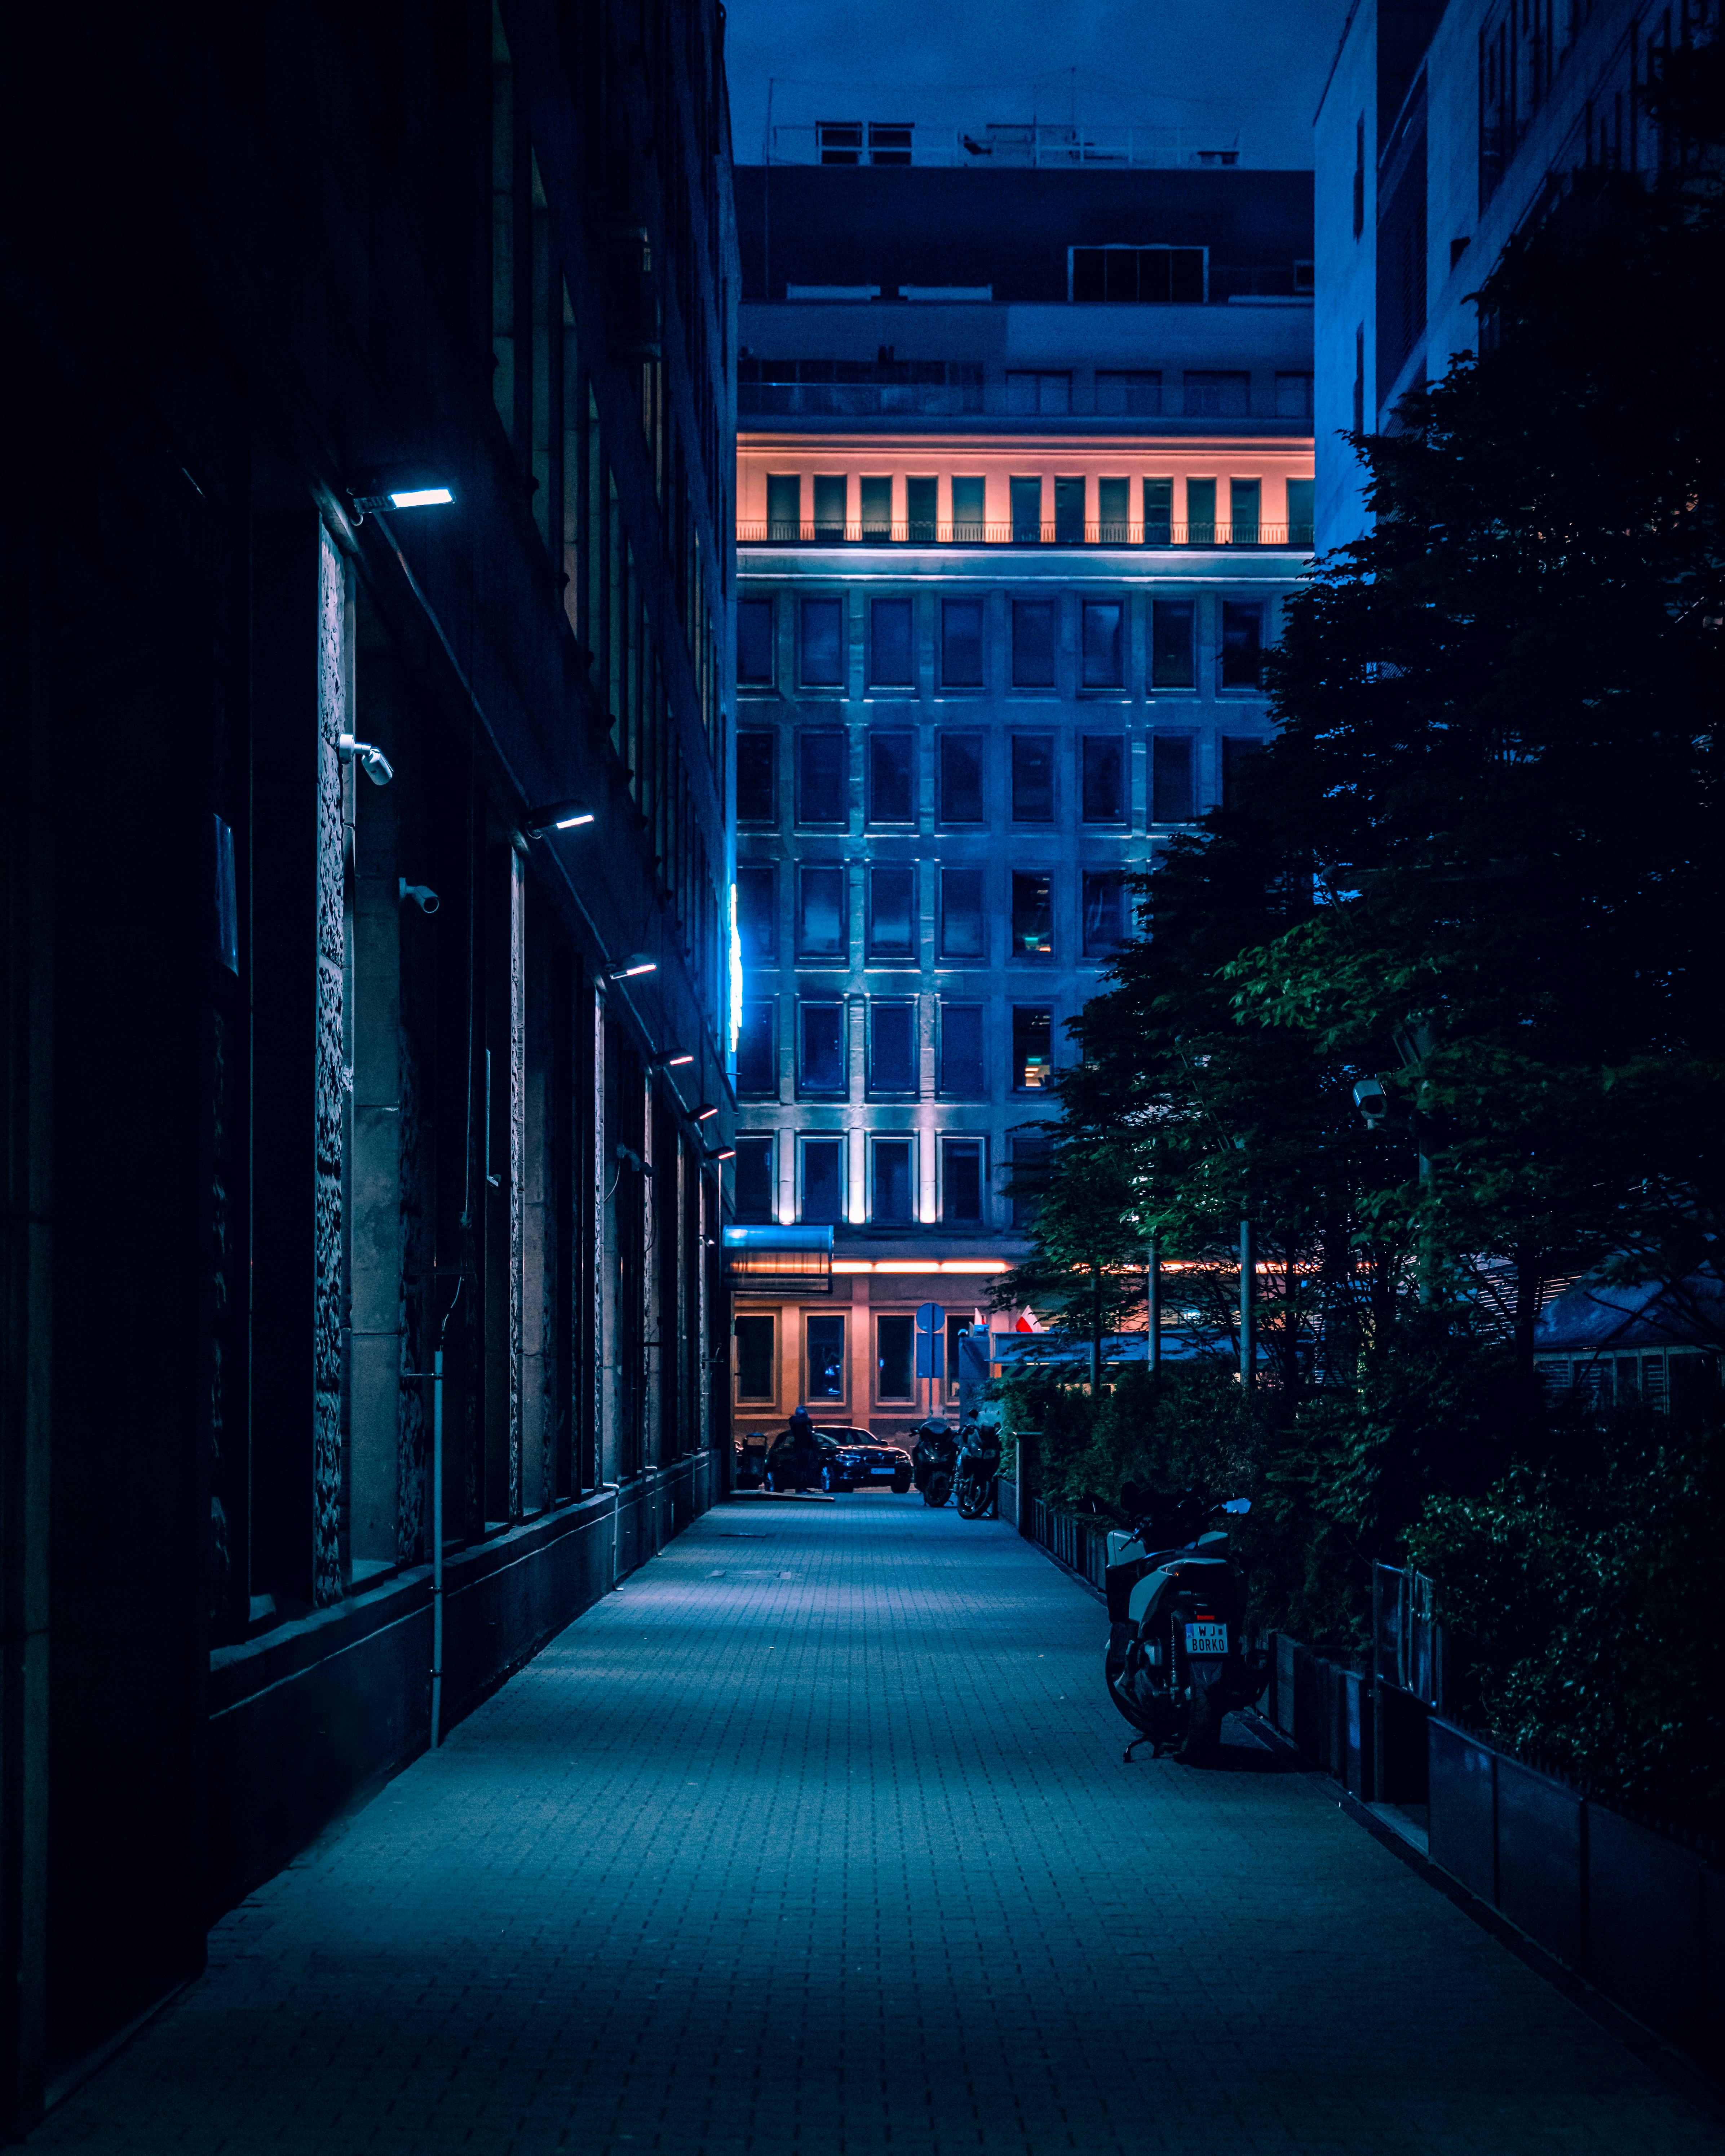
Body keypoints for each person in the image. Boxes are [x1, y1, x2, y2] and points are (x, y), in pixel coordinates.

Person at [781, 1405, 824, 1492]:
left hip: (803, 1446)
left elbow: (810, 1427)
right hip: (802, 1447)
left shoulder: (796, 1421)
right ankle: (800, 1487)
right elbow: (808, 1425)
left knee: (804, 1467)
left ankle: (802, 1486)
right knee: (802, 1467)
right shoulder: (798, 1420)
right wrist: (805, 1416)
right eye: (805, 1412)